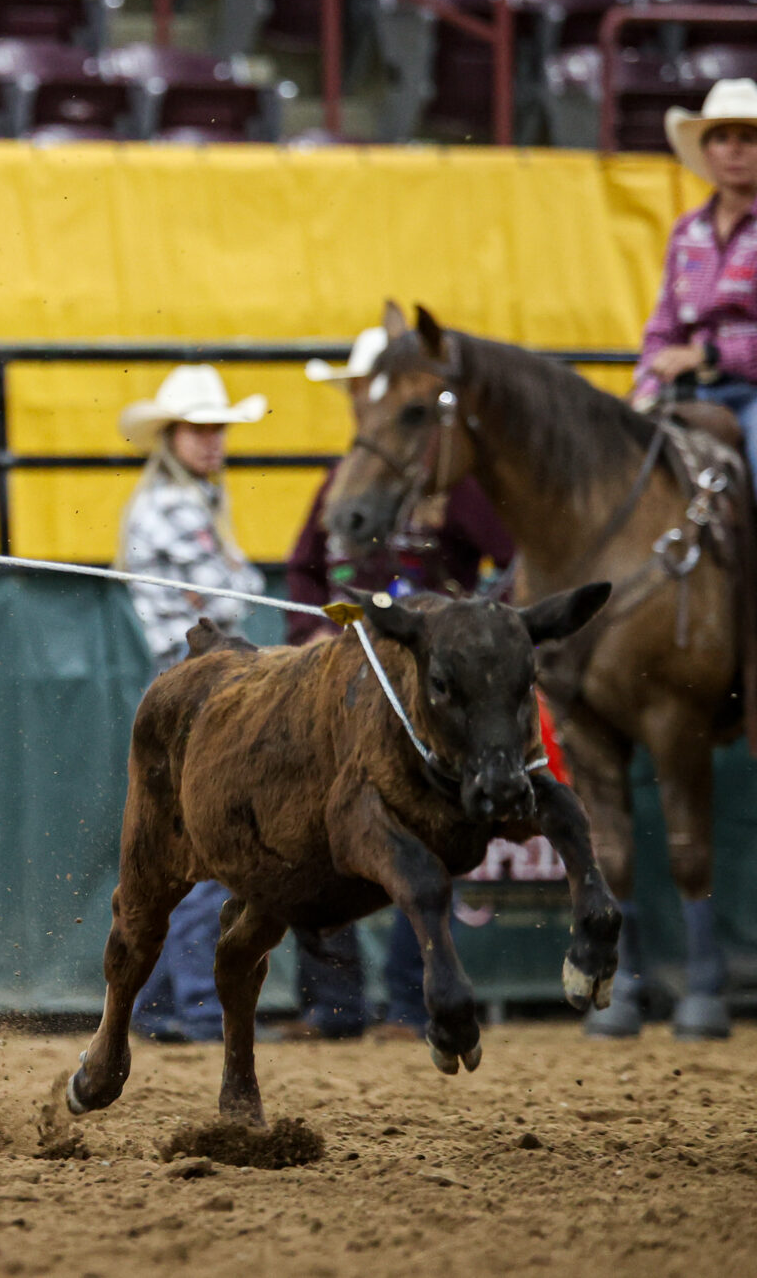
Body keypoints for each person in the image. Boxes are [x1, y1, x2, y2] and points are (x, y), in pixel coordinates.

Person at [280, 330, 517, 1039]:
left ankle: (410, 1005)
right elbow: (302, 571)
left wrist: (464, 639)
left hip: (422, 689)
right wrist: (310, 635)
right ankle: (335, 1005)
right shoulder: (341, 480)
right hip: (341, 680)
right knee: (313, 830)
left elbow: (510, 565)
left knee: (427, 836)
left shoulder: (458, 488)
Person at [114, 364, 268, 1042]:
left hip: (184, 689)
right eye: (200, 429)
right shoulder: (178, 507)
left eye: (218, 429)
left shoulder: (180, 501)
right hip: (199, 691)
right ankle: (200, 1003)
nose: (212, 441)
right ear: (172, 435)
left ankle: (161, 1003)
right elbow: (231, 597)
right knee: (210, 845)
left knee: (171, 849)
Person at [634, 77, 757, 484]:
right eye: (721, 137)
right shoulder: (687, 232)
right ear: (706, 152)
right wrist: (648, 383)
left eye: (747, 137)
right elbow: (663, 326)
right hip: (687, 390)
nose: (734, 148)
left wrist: (709, 354)